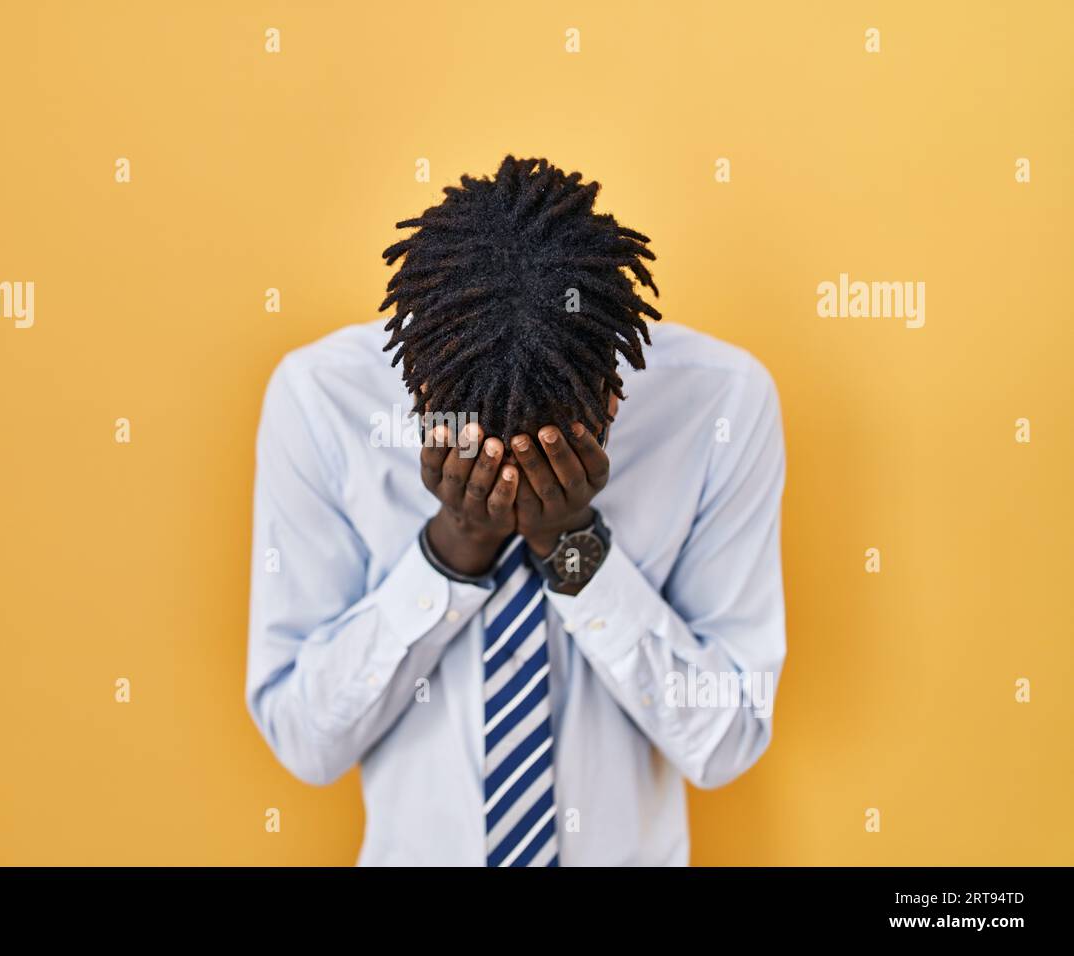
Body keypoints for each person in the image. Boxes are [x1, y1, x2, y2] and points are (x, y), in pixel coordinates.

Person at [246, 155, 786, 866]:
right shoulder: (322, 403)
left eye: (551, 430)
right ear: (419, 386)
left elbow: (727, 742)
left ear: (613, 388)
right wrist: (450, 551)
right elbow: (305, 741)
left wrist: (574, 549)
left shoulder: (721, 404)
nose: (511, 467)